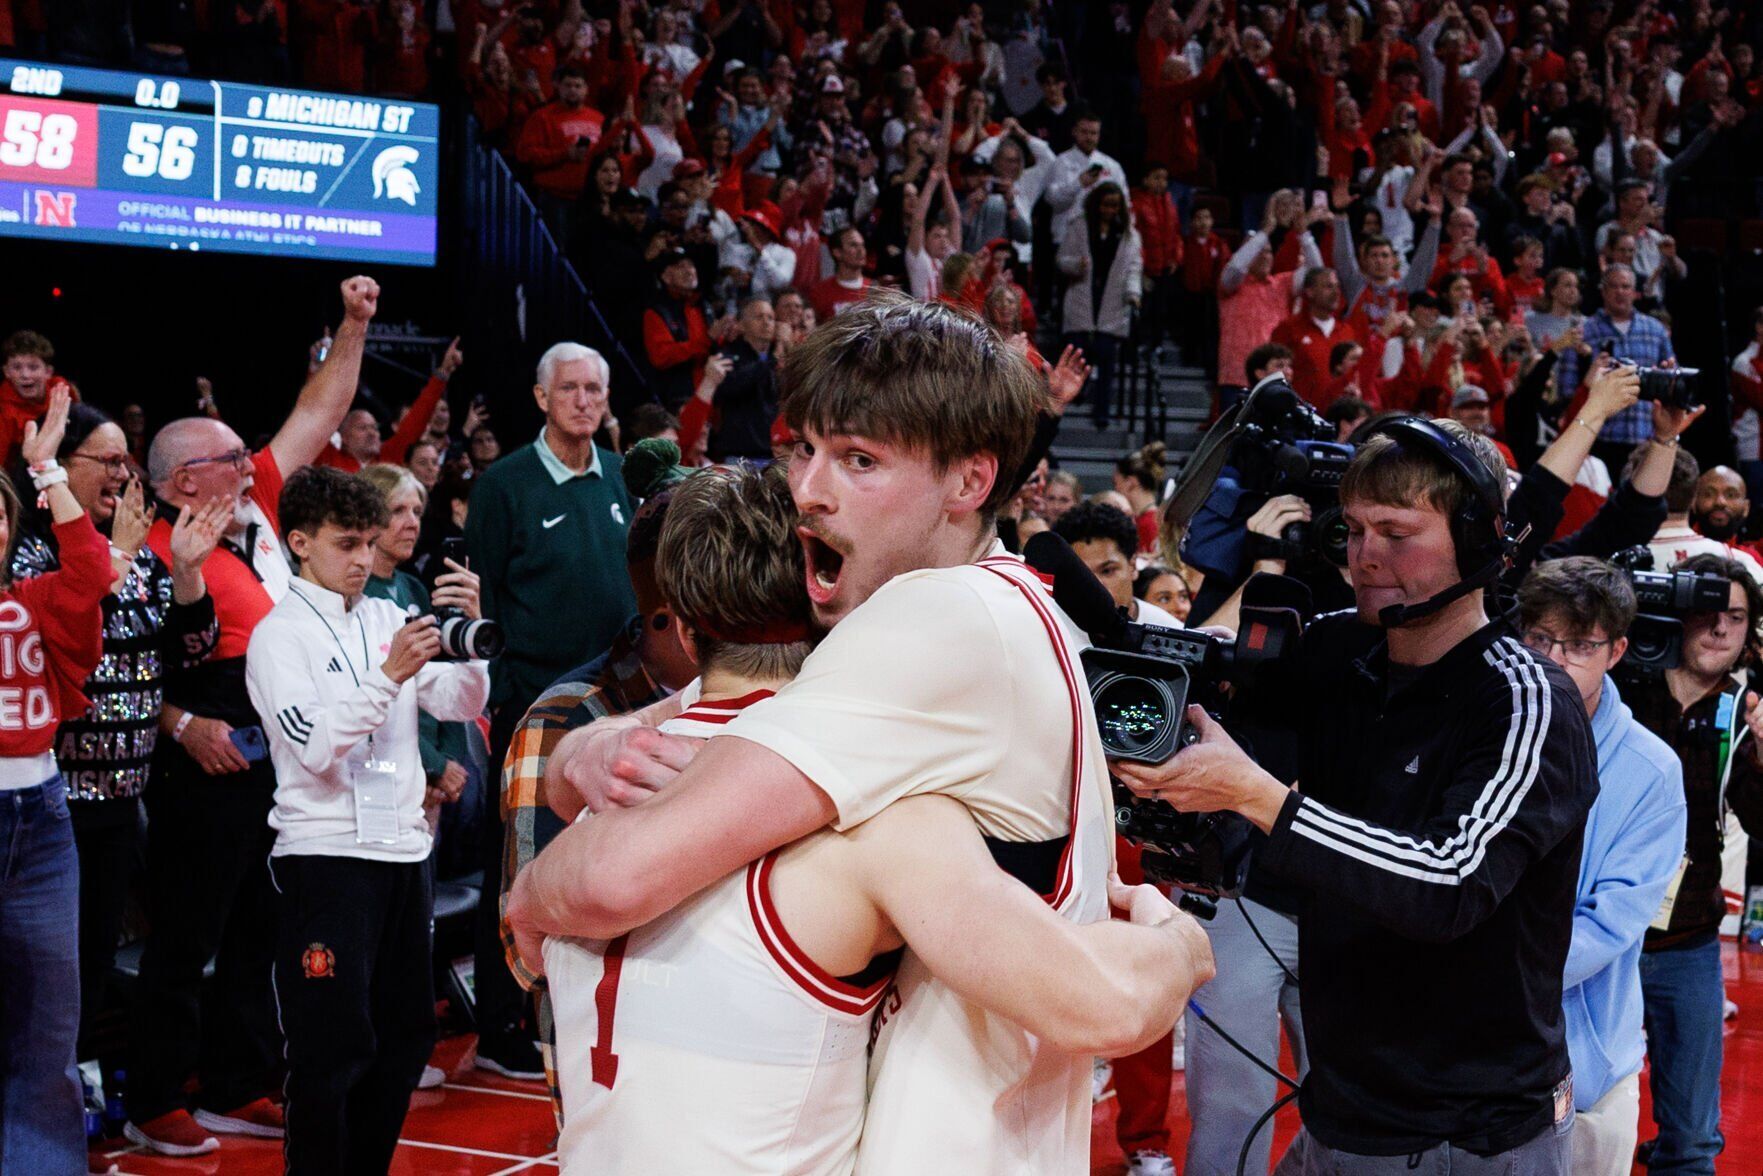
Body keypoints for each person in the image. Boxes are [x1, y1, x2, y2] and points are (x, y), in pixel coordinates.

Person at [510, 294, 1128, 1171]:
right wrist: (590, 746)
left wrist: (532, 892)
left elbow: (614, 877)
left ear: (968, 483)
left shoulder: (937, 620)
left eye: (859, 460)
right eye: (804, 448)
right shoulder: (1013, 604)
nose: (806, 490)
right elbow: (715, 714)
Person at [542, 462, 1211, 1172]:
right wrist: (1182, 942)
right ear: (835, 597)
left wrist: (582, 746)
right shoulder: (874, 823)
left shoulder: (600, 793)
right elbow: (1105, 1005)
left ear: (681, 630)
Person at [1121, 418, 1598, 1173]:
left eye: (1396, 533)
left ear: (1477, 543)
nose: (1364, 555)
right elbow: (1214, 683)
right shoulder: (1340, 648)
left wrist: (1260, 798)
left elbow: (1449, 883)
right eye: (1352, 529)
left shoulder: (1524, 700)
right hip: (1341, 1108)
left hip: (1466, 1132)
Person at [127, 276, 380, 1157]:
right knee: (187, 934)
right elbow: (119, 666)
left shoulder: (258, 502)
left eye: (244, 455)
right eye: (231, 456)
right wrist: (179, 723)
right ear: (181, 480)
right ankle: (154, 1096)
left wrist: (354, 323)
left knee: (258, 930)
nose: (251, 463)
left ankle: (236, 1083)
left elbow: (321, 407)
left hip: (280, 744)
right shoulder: (150, 549)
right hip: (205, 748)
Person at [245, 466, 489, 1174]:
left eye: (368, 544)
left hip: (403, 851)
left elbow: (457, 700)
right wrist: (387, 677)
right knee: (330, 1046)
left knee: (408, 1036)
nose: (362, 560)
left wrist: (472, 640)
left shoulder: (385, 617)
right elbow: (317, 748)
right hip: (324, 858)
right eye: (346, 544)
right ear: (299, 543)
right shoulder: (278, 637)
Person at [9, 405, 224, 1085]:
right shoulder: (32, 550)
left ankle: (70, 1097)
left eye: (125, 460)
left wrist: (185, 572)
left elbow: (192, 650)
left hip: (125, 793)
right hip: (51, 794)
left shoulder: (140, 551)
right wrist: (116, 558)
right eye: (106, 460)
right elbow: (75, 632)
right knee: (43, 967)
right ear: (62, 467)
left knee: (92, 957)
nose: (121, 473)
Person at [463, 341, 637, 1080]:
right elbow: (476, 599)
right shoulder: (503, 485)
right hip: (534, 713)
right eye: (569, 389)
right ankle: (502, 1025)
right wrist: (503, 688)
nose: (584, 401)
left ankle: (585, 1012)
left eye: (594, 389)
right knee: (520, 866)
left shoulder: (622, 476)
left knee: (608, 862)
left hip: (621, 705)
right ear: (541, 398)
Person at [1515, 558, 1686, 1176]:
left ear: (1616, 651)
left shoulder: (1652, 770)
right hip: (1457, 1048)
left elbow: (1612, 922)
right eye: (1540, 639)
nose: (1554, 660)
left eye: (1580, 645)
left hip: (1584, 1066)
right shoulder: (1479, 731)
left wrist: (1490, 977)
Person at [1618, 553, 1763, 1175]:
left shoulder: (1744, 712)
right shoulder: (1619, 686)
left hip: (1688, 939)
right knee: (1574, 1113)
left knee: (1693, 1139)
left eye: (1737, 616)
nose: (1721, 628)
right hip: (1596, 932)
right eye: (1708, 610)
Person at [0, 389, 110, 1175]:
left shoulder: (34, 599)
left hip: (41, 817)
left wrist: (46, 470)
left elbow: (93, 568)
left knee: (46, 1035)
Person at [359, 463, 486, 880]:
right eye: (397, 510)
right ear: (368, 517)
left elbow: (441, 680)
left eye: (416, 511)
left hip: (431, 775)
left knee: (421, 890)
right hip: (382, 771)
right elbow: (374, 698)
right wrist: (433, 765)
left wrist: (448, 760)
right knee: (383, 884)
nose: (412, 522)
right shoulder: (353, 596)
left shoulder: (412, 587)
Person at [1557, 265, 1675, 463]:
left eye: (1625, 286)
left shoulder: (1655, 330)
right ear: (1603, 291)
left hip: (1644, 437)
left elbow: (1672, 381)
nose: (1620, 292)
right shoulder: (1584, 332)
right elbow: (1566, 391)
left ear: (1634, 292)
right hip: (1597, 440)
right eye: (1613, 286)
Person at [1059, 181, 1142, 428]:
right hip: (1083, 298)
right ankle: (1072, 396)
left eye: (1114, 206)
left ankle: (1102, 410)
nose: (1109, 210)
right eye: (1105, 205)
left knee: (1107, 359)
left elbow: (1134, 268)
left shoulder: (1128, 234)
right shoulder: (1079, 227)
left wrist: (1133, 293)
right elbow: (1062, 259)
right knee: (1077, 354)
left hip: (1111, 304)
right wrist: (1076, 265)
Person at [1054, 502, 1183, 629]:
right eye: (1082, 575)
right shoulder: (1052, 630)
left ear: (1132, 566)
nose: (1096, 586)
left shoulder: (1172, 631)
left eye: (1107, 571)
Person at [642, 248, 716, 411]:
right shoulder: (657, 312)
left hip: (713, 395)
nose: (689, 271)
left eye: (691, 265)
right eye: (680, 266)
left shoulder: (704, 306)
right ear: (666, 276)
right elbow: (661, 356)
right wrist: (707, 341)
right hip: (680, 400)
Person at [0, 329, 81, 467]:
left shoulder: (63, 391)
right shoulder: (4, 411)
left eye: (33, 367)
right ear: (6, 372)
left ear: (48, 371)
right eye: (17, 367)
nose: (25, 375)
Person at [808, 226, 873, 321]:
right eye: (853, 245)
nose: (861, 251)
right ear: (837, 252)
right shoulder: (819, 293)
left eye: (862, 245)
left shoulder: (876, 290)